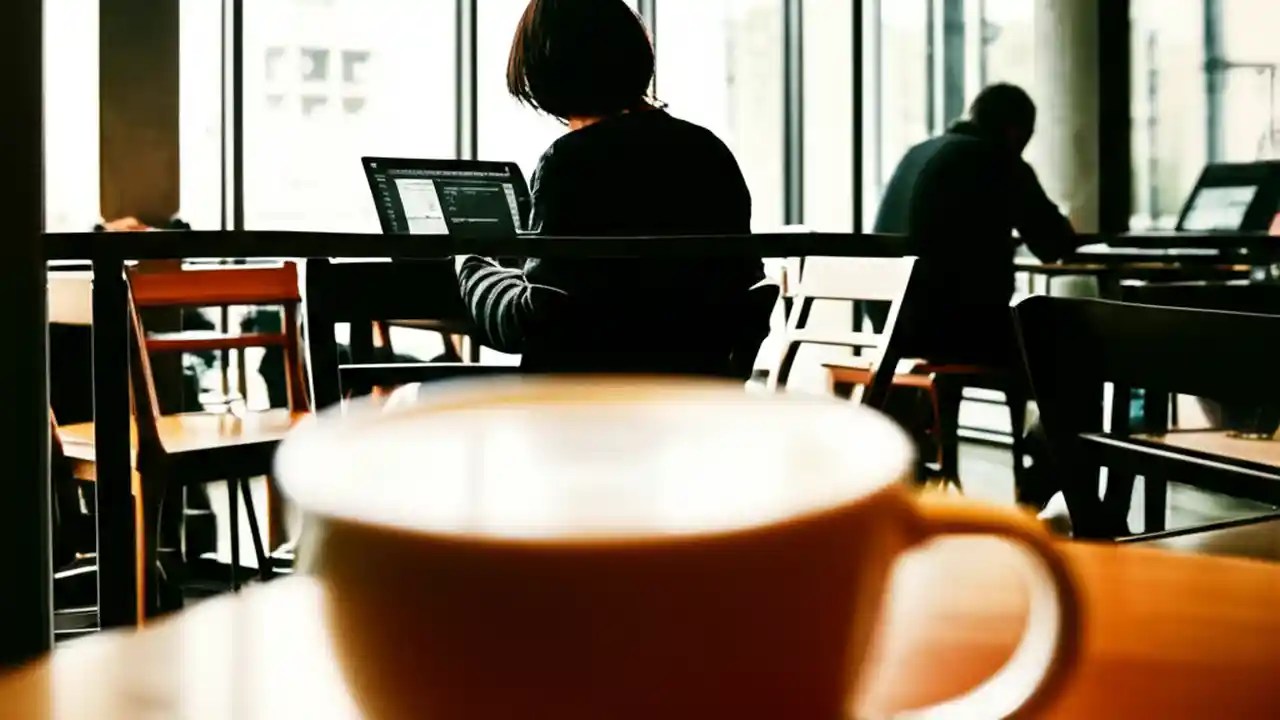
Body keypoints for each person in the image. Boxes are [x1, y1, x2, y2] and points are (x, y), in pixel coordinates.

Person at [455, 0, 766, 375]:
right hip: (693, 404)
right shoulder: (710, 153)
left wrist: (472, 268)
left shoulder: (570, 163)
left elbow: (531, 323)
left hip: (584, 412)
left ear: (548, 75)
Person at [873, 83, 1079, 369]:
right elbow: (1054, 244)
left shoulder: (919, 153)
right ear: (1015, 132)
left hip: (888, 324)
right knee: (1075, 333)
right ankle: (1064, 416)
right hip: (948, 329)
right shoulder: (998, 160)